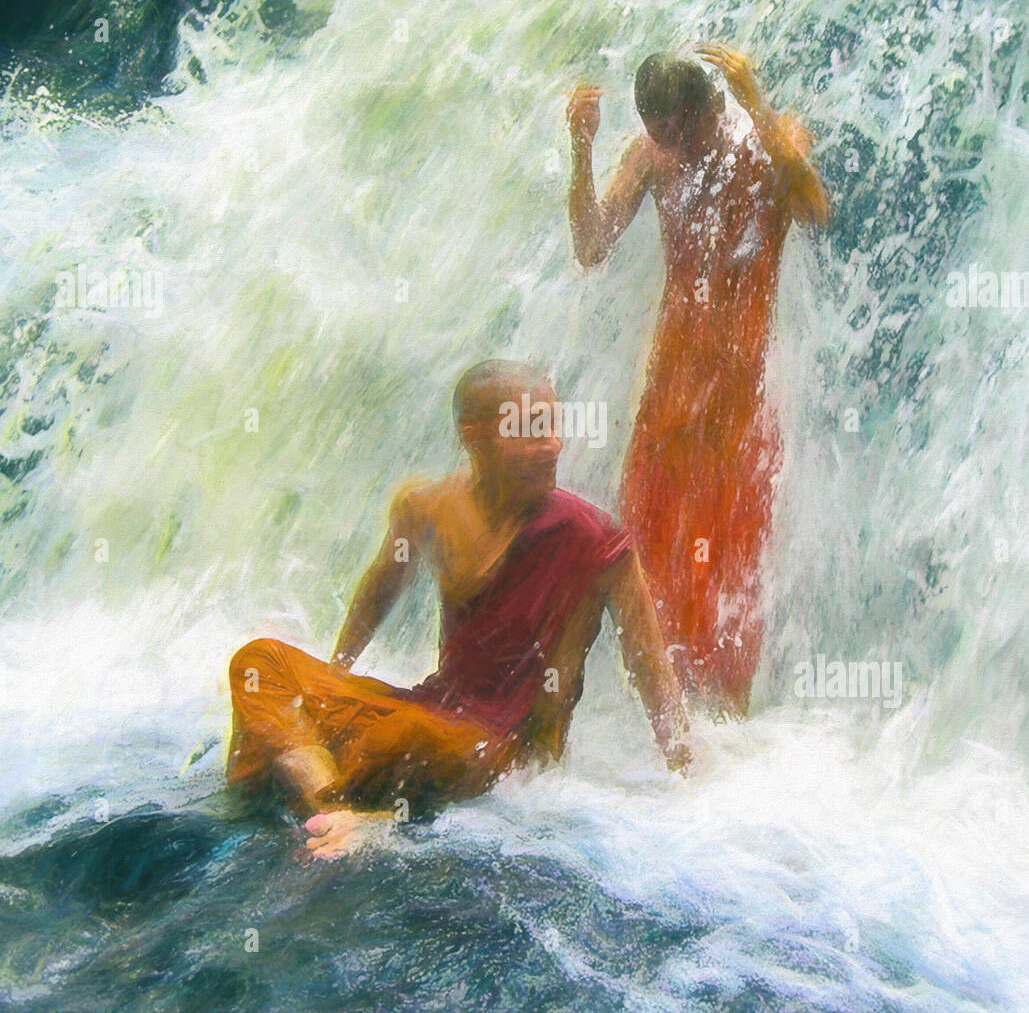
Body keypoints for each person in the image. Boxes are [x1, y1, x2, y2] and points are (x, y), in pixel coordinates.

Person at [226, 360, 690, 860]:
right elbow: (379, 591)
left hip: (499, 749)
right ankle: (334, 810)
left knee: (382, 738)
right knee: (259, 661)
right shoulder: (427, 507)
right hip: (432, 711)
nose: (553, 445)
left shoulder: (596, 539)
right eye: (530, 430)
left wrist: (686, 769)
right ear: (473, 435)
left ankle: (340, 809)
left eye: (553, 428)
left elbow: (647, 661)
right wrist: (331, 684)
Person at [567, 43, 830, 714]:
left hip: (741, 393)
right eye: (665, 139)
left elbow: (813, 209)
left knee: (734, 551)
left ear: (715, 105)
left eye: (687, 134)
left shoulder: (769, 140)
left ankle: (731, 717)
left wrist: (756, 99)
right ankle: (661, 717)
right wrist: (579, 152)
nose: (679, 150)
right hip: (670, 390)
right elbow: (592, 246)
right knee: (653, 551)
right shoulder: (652, 157)